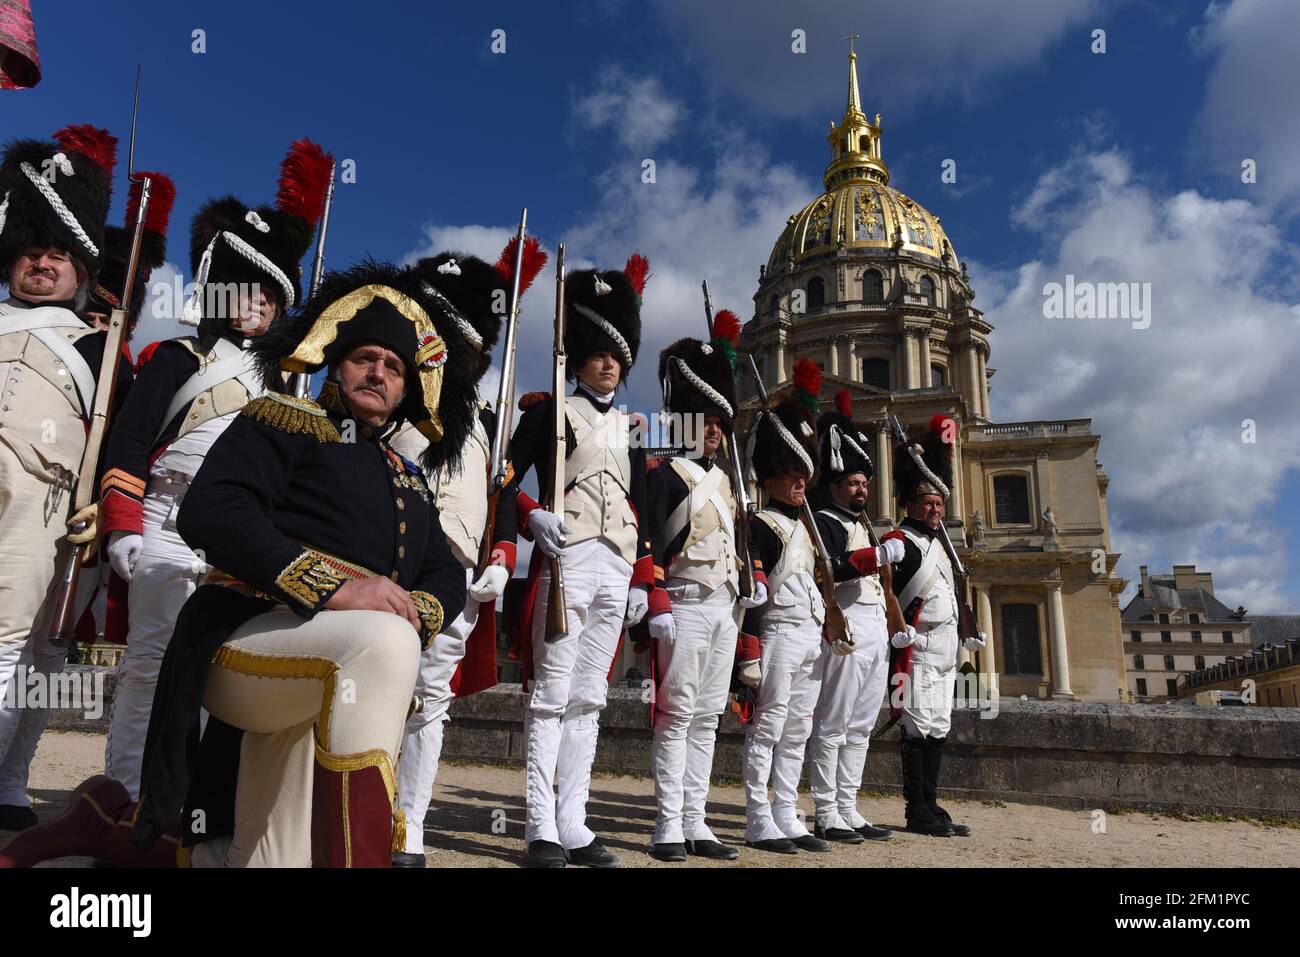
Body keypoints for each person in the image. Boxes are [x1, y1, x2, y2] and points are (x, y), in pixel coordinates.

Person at [0, 262, 479, 867]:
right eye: (364, 358)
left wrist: (419, 611)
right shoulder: (282, 420)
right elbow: (213, 511)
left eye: (393, 366)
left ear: (408, 387)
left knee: (252, 859)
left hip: (334, 667)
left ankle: (98, 827)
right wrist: (334, 589)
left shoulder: (408, 478)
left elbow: (442, 572)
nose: (378, 373)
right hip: (245, 638)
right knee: (385, 642)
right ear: (337, 361)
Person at [97, 140, 332, 799]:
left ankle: (190, 802)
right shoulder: (175, 358)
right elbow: (129, 441)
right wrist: (122, 524)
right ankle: (126, 792)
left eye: (271, 294)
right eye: (247, 288)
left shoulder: (292, 389)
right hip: (166, 521)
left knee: (221, 670)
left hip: (242, 540)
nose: (258, 303)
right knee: (149, 664)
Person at [388, 237, 547, 867]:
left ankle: (410, 822)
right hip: (382, 562)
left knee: (430, 702)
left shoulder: (487, 418)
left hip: (454, 572)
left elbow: (501, 492)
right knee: (368, 687)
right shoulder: (384, 392)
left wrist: (504, 555)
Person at [0, 125, 133, 831]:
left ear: (82, 271)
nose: (42, 263)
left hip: (45, 501)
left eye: (58, 253)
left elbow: (125, 441)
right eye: (30, 251)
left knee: (26, 646)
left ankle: (11, 779)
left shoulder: (102, 348)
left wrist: (105, 506)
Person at [506, 255, 654, 868]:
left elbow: (640, 507)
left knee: (590, 698)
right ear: (578, 353)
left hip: (616, 566)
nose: (608, 361)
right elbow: (504, 477)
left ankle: (575, 824)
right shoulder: (546, 413)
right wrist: (528, 515)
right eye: (597, 350)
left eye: (617, 352)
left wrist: (646, 578)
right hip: (565, 559)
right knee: (549, 695)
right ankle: (540, 824)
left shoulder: (634, 427)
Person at [644, 311, 766, 862]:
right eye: (703, 420)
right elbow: (649, 541)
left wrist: (753, 579)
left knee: (709, 718)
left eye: (719, 419)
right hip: (685, 604)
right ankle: (668, 823)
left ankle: (697, 821)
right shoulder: (665, 474)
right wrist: (655, 599)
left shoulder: (731, 485)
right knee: (676, 714)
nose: (713, 429)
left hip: (725, 608)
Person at [738, 358, 835, 855]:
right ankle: (758, 817)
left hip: (809, 636)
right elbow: (754, 592)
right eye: (791, 473)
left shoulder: (807, 527)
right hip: (776, 632)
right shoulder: (759, 525)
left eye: (804, 473)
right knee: (768, 727)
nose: (800, 481)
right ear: (771, 475)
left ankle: (785, 812)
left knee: (798, 730)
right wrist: (750, 648)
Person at [883, 414, 986, 837]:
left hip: (945, 649)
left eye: (939, 503)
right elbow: (886, 593)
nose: (935, 508)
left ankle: (932, 802)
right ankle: (916, 809)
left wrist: (967, 628)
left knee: (939, 726)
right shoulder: (897, 542)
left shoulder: (943, 545)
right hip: (918, 648)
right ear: (910, 502)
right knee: (917, 726)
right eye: (927, 502)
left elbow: (952, 592)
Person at [808, 389, 900, 844]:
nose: (862, 489)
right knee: (833, 721)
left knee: (861, 724)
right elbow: (827, 571)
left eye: (865, 483)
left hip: (873, 627)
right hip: (844, 623)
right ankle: (826, 811)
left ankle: (849, 806)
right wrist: (870, 556)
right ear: (835, 486)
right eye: (853, 484)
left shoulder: (862, 524)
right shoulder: (824, 519)